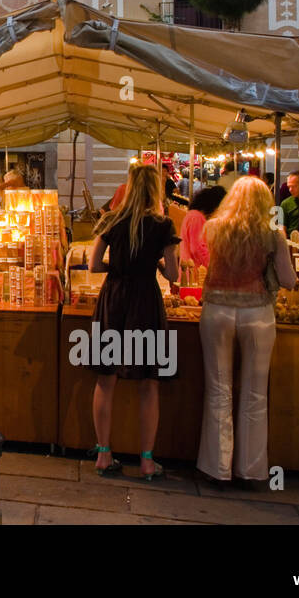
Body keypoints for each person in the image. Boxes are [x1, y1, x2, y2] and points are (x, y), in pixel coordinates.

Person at [198, 176, 297, 485]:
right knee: (255, 392)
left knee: (218, 389)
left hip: (216, 308)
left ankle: (217, 467)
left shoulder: (214, 228)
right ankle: (250, 468)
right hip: (257, 312)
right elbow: (289, 280)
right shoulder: (272, 233)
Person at [87, 164, 179, 480]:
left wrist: (118, 266)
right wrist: (156, 265)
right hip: (145, 302)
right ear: (155, 190)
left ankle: (103, 454)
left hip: (114, 299)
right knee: (149, 383)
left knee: (106, 378)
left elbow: (93, 265)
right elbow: (174, 274)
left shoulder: (111, 220)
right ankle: (147, 462)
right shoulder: (164, 225)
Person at [180, 185, 226, 269]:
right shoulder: (196, 218)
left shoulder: (193, 215)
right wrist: (214, 267)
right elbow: (197, 249)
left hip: (188, 268)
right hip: (193, 271)